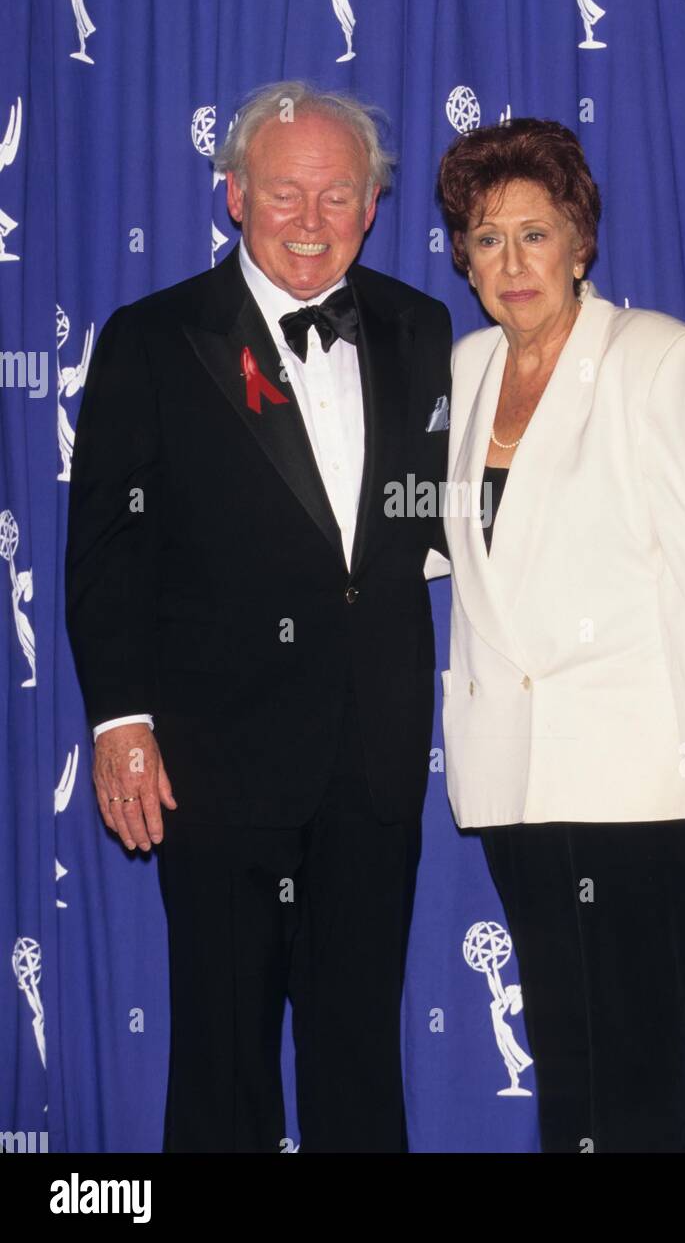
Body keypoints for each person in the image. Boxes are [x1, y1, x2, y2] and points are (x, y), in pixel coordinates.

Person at [65, 81, 451, 1153]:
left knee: (360, 1056)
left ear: (374, 206)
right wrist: (119, 724)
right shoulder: (153, 339)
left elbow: (446, 516)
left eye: (340, 195)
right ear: (234, 194)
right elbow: (108, 549)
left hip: (372, 759)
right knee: (222, 1059)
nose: (313, 221)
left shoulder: (424, 329)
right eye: (287, 193)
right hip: (215, 760)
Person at [436, 117, 685, 1153]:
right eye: (487, 236)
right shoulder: (462, 371)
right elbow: (440, 536)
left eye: (535, 234)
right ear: (462, 255)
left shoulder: (660, 359)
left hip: (637, 775)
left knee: (640, 1065)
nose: (512, 262)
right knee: (570, 1057)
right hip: (518, 783)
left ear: (581, 243)